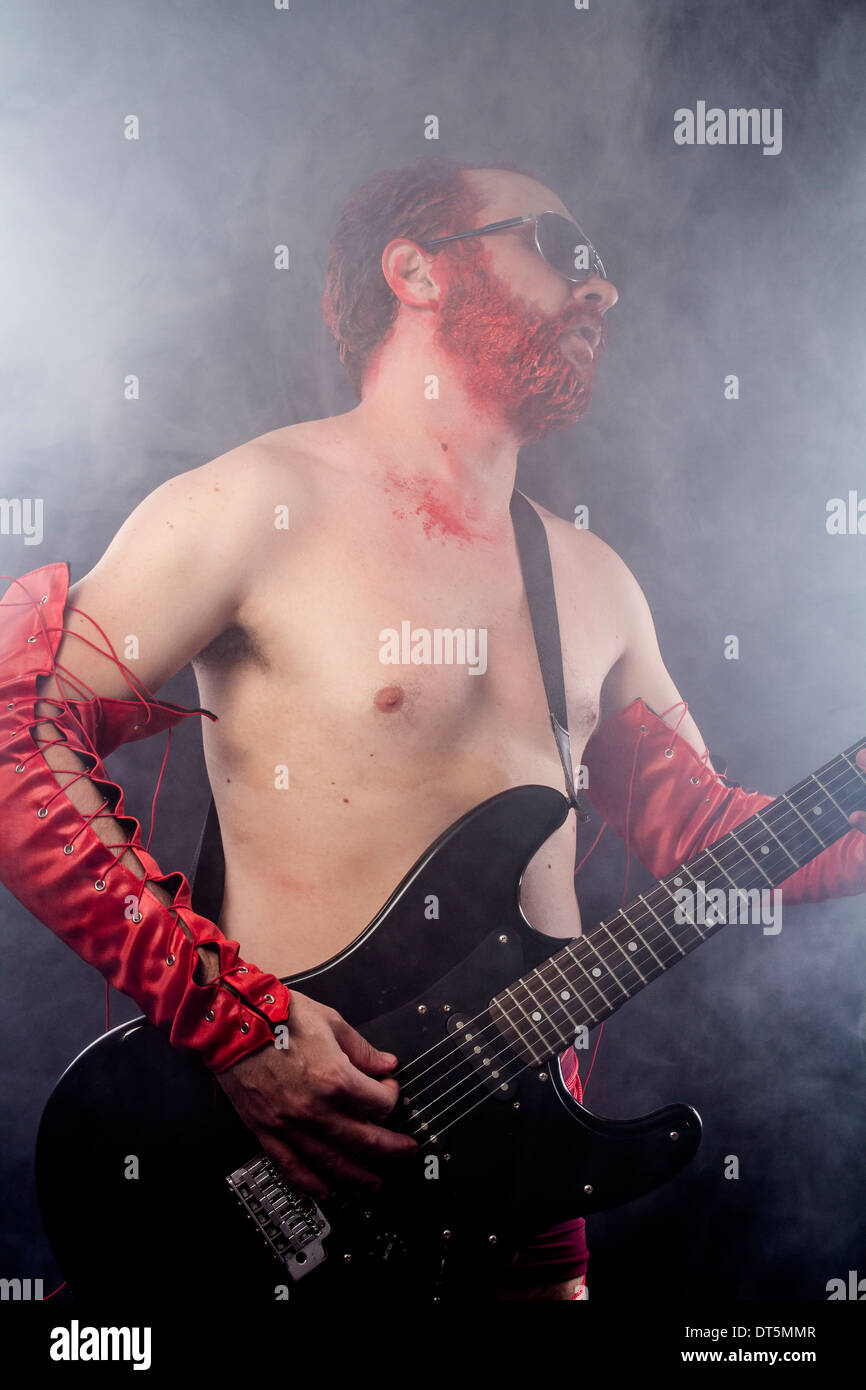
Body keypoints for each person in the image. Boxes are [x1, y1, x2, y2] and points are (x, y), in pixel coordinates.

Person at [1, 156, 864, 1303]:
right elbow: (15, 731)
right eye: (565, 254)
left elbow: (703, 834)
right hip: (277, 1174)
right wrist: (233, 1026)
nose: (601, 291)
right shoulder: (254, 505)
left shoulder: (594, 582)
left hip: (523, 1205)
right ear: (414, 269)